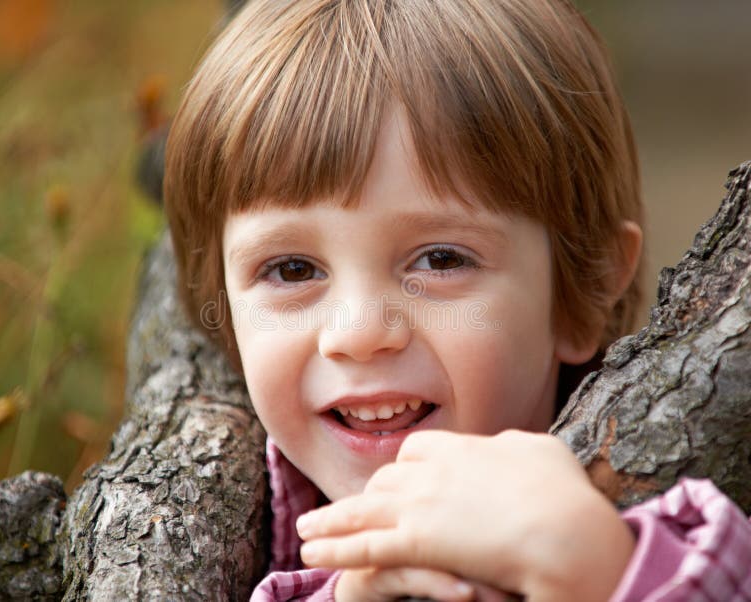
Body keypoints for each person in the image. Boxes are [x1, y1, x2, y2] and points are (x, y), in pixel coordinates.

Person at [163, 0, 751, 599]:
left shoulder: (670, 541)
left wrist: (601, 570)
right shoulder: (232, 538)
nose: (360, 331)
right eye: (292, 269)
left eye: (441, 259)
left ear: (589, 283)